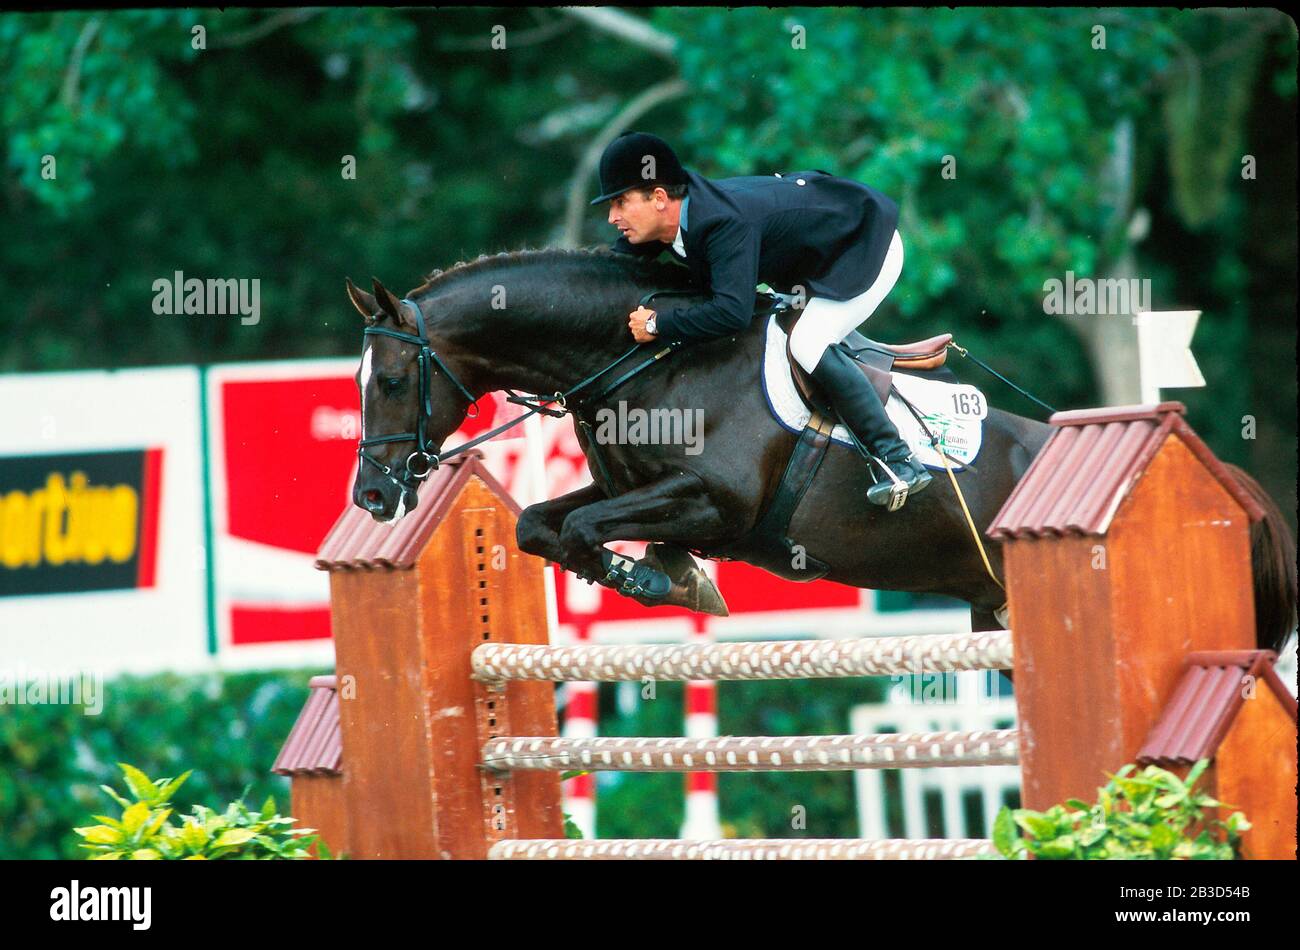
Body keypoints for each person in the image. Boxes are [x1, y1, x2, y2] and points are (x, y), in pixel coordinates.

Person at [592, 130, 931, 508]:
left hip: (864, 247)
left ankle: (898, 459)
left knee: (807, 343)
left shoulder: (721, 222)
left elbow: (731, 314)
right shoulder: (669, 220)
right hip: (813, 258)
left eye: (620, 202)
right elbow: (612, 268)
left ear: (658, 198)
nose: (612, 217)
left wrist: (659, 324)